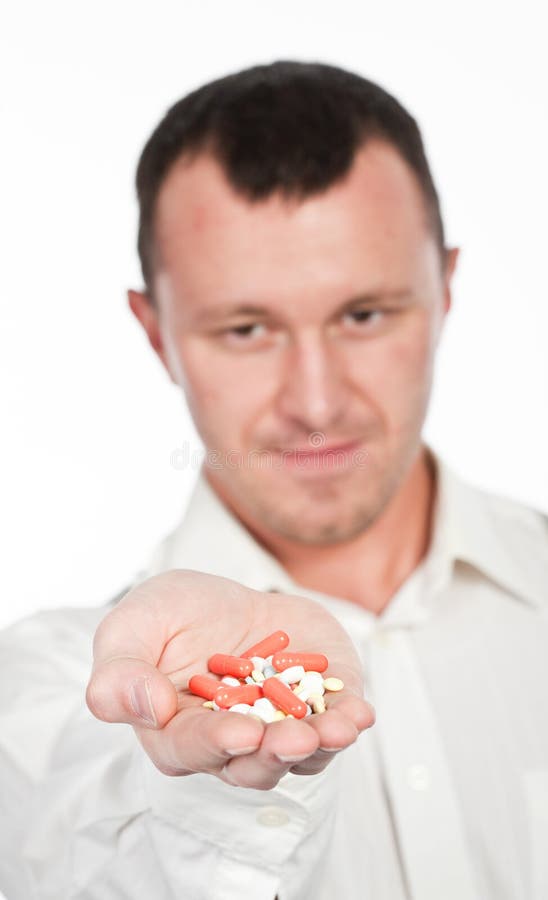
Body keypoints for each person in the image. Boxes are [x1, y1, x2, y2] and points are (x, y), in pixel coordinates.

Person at [1, 60, 547, 900]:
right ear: (156, 335)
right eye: (248, 328)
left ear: (445, 290)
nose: (317, 402)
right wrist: (204, 788)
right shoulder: (48, 690)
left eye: (364, 315)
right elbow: (83, 846)